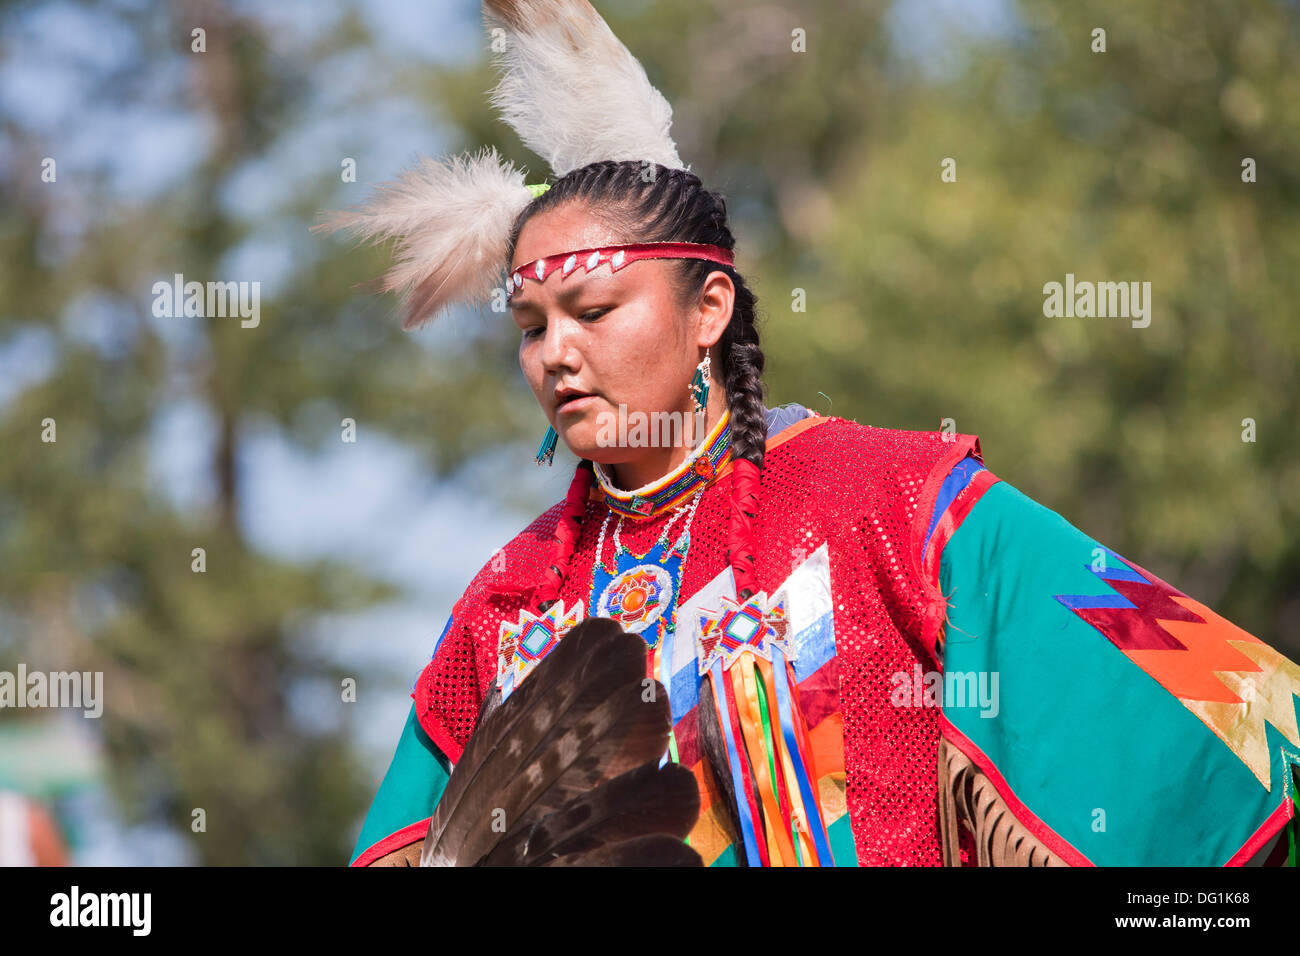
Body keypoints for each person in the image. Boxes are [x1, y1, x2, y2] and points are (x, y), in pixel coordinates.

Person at [325, 0, 1300, 867]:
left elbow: (1205, 690)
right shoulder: (504, 600)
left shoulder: (890, 499)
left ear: (709, 308)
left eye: (594, 308)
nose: (556, 354)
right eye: (532, 327)